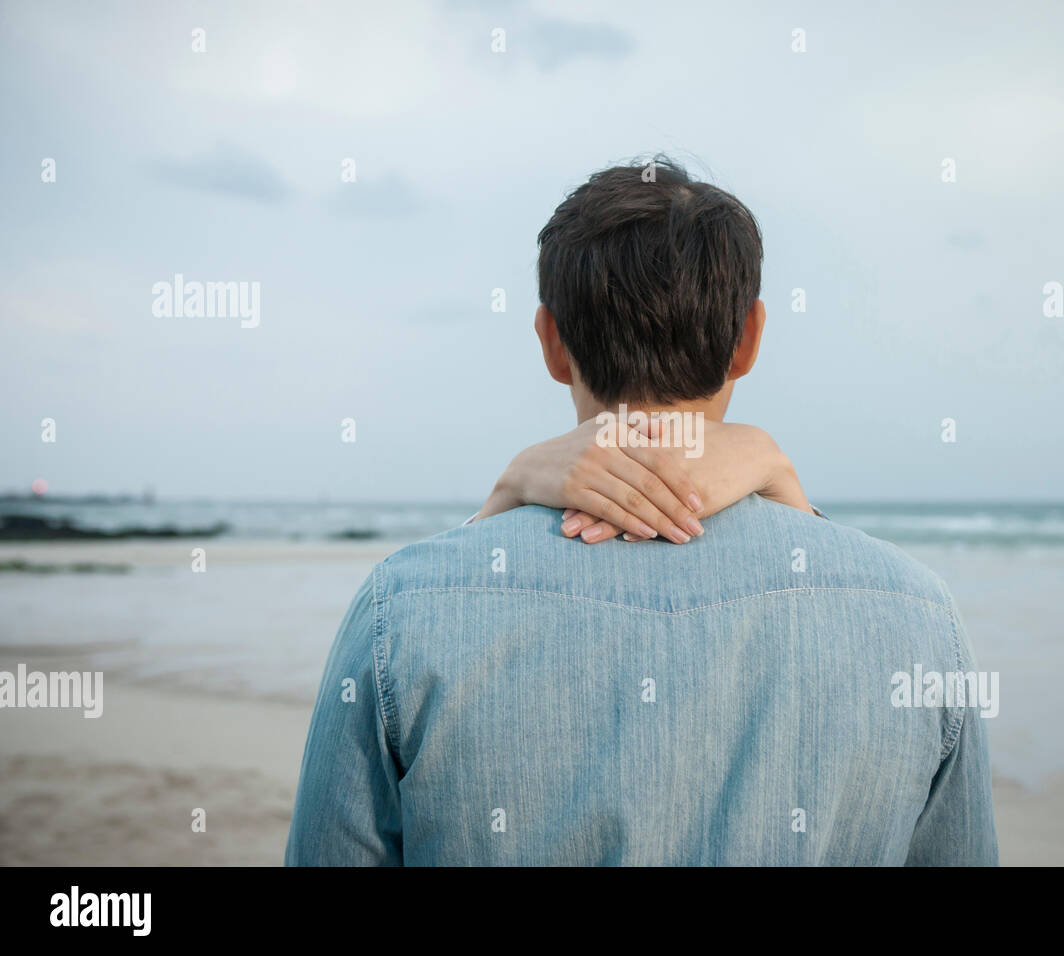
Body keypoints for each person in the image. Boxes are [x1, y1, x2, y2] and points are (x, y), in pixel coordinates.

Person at [285, 158, 998, 865]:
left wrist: (492, 515)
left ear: (551, 342)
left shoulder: (401, 611)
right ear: (748, 340)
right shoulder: (918, 617)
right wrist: (793, 500)